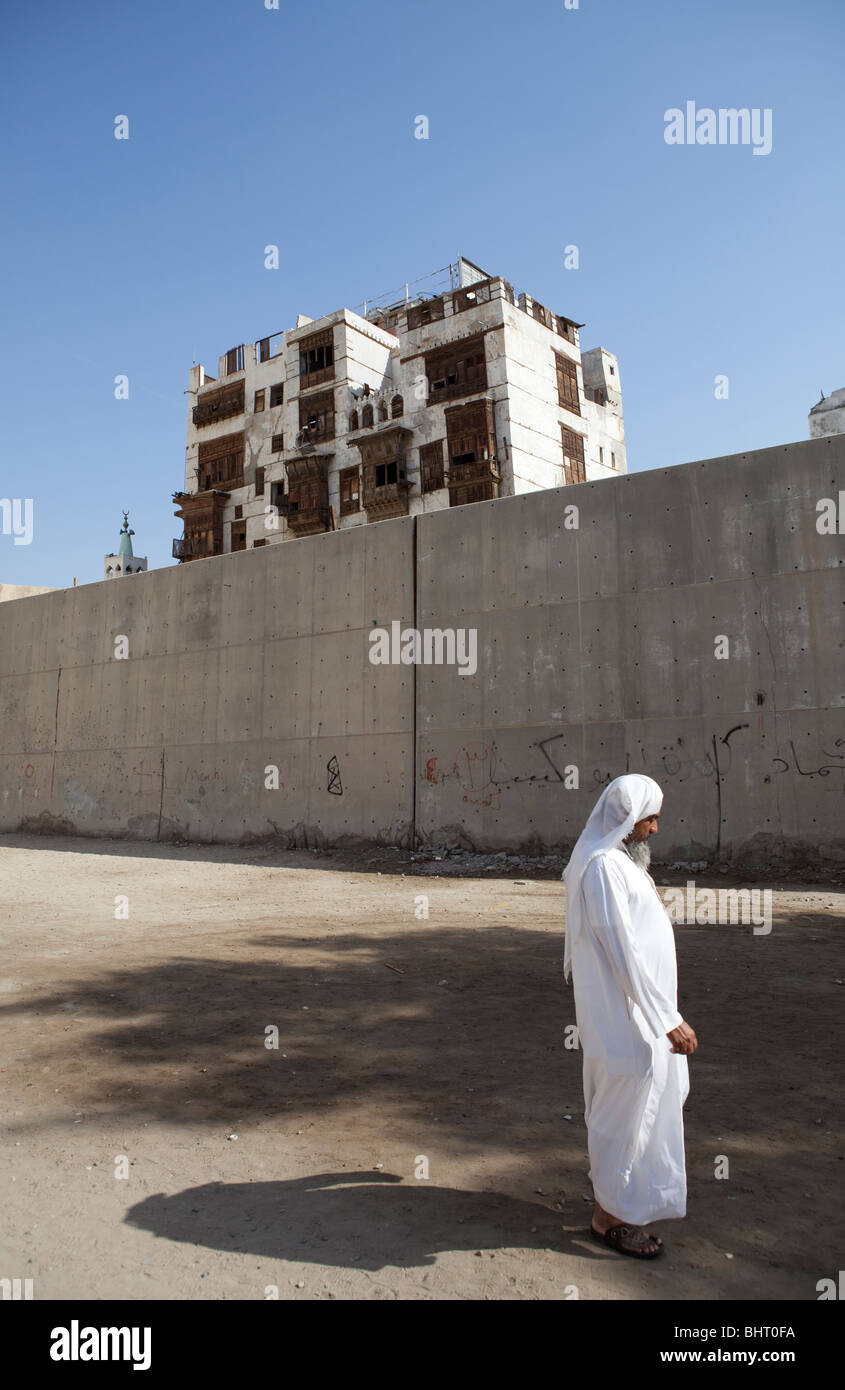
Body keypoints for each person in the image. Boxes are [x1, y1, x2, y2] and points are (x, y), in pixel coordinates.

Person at [562, 774, 698, 1258]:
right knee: (622, 1111)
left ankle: (625, 1206)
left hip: (640, 1016)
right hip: (625, 1020)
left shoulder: (620, 864)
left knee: (650, 1102)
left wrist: (662, 1014)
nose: (656, 829)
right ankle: (609, 1219)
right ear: (626, 818)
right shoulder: (601, 868)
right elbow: (623, 951)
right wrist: (667, 1018)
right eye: (650, 818)